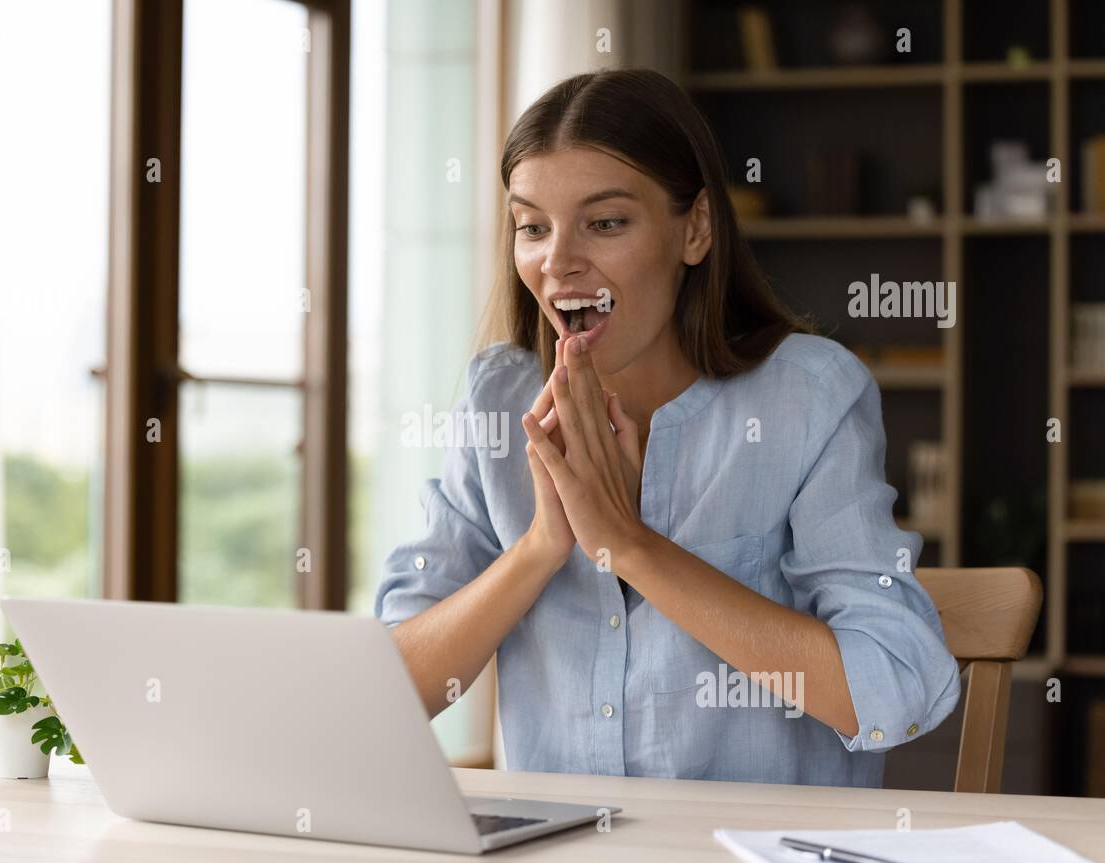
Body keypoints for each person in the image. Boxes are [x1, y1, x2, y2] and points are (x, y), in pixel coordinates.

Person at [374, 68, 960, 788]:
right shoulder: (497, 398)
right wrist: (540, 547)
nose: (558, 260)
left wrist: (630, 544)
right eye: (533, 226)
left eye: (606, 222)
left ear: (696, 229)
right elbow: (389, 692)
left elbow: (897, 687)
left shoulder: (808, 396)